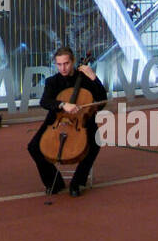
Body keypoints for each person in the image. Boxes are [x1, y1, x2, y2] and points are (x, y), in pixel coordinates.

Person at [27, 47, 107, 198]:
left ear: (73, 62)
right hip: (57, 120)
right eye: (59, 64)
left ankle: (77, 182)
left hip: (81, 121)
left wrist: (94, 77)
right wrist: (63, 104)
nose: (63, 68)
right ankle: (54, 181)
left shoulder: (85, 79)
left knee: (95, 143)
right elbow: (45, 101)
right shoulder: (52, 82)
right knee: (33, 147)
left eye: (66, 64)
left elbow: (102, 100)